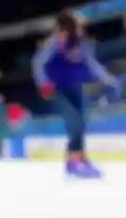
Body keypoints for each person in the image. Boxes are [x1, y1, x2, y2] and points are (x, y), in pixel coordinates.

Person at [33, 9, 122, 178]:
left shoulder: (84, 43)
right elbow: (38, 63)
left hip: (76, 87)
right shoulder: (54, 43)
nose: (81, 28)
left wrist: (109, 79)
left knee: (81, 123)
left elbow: (92, 64)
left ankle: (78, 160)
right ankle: (74, 162)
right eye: (78, 25)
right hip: (56, 89)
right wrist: (43, 83)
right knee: (75, 121)